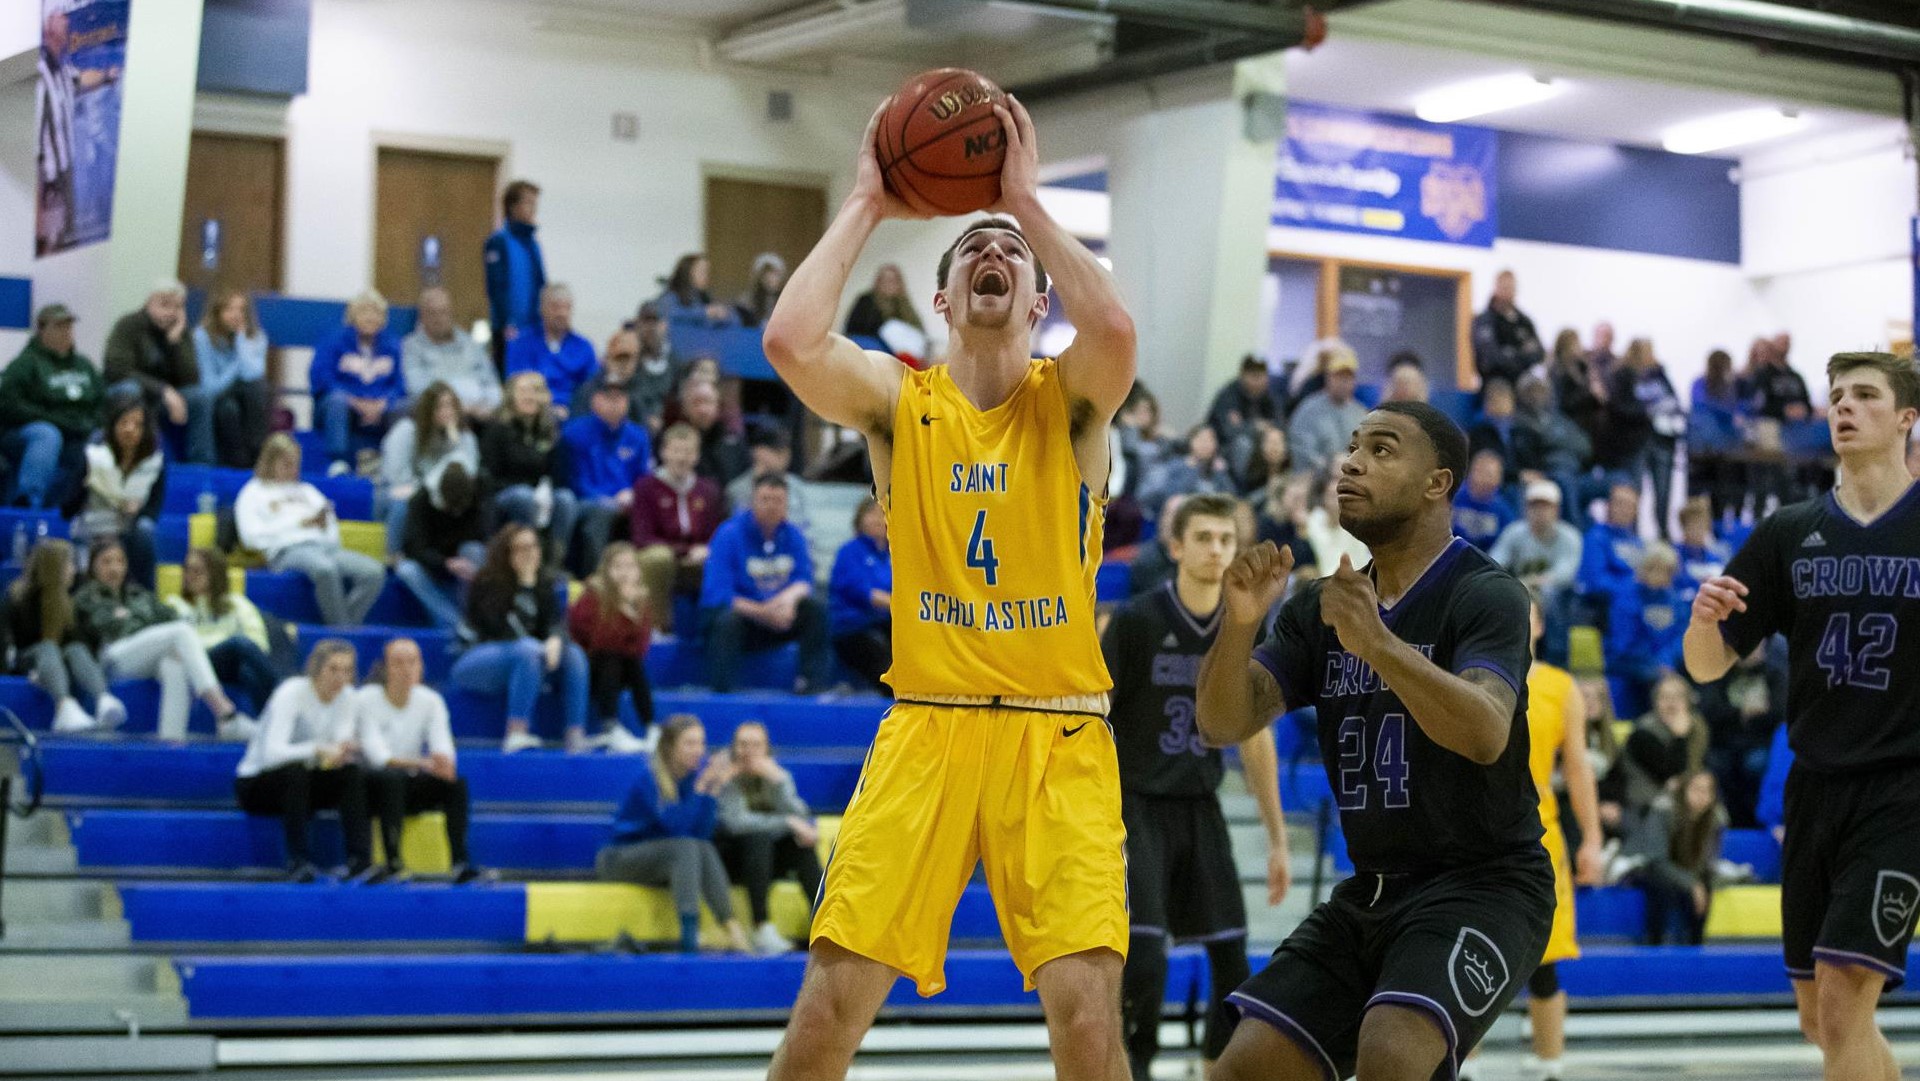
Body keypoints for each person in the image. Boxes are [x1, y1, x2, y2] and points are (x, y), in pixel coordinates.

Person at [761, 95, 1137, 1081]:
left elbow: (1114, 326)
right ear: (942, 301)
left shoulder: (1072, 401)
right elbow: (791, 343)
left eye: (1012, 254)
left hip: (1057, 734)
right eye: (974, 248)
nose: (994, 254)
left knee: (1088, 1022)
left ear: (1038, 302)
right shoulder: (899, 401)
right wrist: (865, 201)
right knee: (823, 1016)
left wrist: (1027, 203)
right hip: (927, 726)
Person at [1196, 401, 1552, 1081]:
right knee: (1244, 1067)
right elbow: (1221, 723)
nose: (1352, 462)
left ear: (1438, 483)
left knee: (1392, 1051)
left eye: (1381, 450)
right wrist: (1239, 624)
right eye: (1354, 446)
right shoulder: (1321, 606)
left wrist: (1379, 645)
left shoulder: (1487, 592)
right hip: (1372, 890)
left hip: (1484, 883)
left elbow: (1485, 730)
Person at [1685, 351, 1920, 1081]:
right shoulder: (1788, 530)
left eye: (1866, 395)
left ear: (1906, 418)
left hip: (1903, 791)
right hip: (1814, 788)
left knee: (1846, 1004)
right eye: (1837, 395)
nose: (1844, 406)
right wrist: (1702, 622)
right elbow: (1707, 665)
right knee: (1821, 1017)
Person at [1101, 493, 1288, 1081]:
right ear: (1176, 546)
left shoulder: (1243, 628)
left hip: (1200, 804)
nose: (1217, 550)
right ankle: (1135, 1069)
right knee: (1146, 959)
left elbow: (1255, 738)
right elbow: (1093, 720)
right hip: (1136, 805)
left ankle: (1217, 1072)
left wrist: (1277, 839)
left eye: (1227, 540)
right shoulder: (1135, 621)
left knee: (1233, 962)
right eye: (1204, 538)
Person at [1462, 596, 1605, 1081]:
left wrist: (1592, 839)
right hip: (1474, 833)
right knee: (1467, 953)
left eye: (1525, 613)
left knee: (1545, 960)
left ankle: (1550, 1066)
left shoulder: (1561, 688)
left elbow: (1579, 769)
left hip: (1539, 836)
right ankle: (1466, 1066)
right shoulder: (1467, 676)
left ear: (1540, 626)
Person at [597, 716, 752, 952]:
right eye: (690, 743)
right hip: (619, 858)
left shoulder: (690, 779)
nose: (698, 750)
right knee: (685, 847)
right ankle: (690, 937)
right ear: (670, 747)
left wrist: (712, 792)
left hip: (663, 857)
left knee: (702, 847)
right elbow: (675, 828)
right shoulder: (649, 779)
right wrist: (701, 789)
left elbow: (702, 836)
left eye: (701, 743)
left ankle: (731, 926)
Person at [73, 538, 252, 742]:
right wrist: (142, 619)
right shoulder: (86, 596)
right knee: (181, 632)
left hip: (142, 653)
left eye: (120, 561)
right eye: (106, 562)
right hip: (109, 658)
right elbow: (110, 627)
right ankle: (224, 712)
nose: (114, 568)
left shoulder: (138, 593)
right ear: (93, 566)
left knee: (174, 664)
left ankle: (171, 742)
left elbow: (171, 616)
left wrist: (129, 616)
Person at [234, 640, 378, 882]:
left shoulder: (348, 697)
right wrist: (317, 749)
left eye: (347, 670)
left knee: (351, 773)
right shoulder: (290, 693)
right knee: (295, 772)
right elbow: (271, 754)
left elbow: (338, 745)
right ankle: (298, 861)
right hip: (256, 783)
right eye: (333, 669)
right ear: (315, 668)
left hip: (304, 784)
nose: (340, 677)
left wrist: (345, 751)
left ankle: (360, 862)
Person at [358, 638, 491, 885]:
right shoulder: (366, 699)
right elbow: (378, 757)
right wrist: (424, 764)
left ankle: (460, 863)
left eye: (413, 662)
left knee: (455, 784)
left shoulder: (430, 701)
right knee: (391, 779)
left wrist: (443, 762)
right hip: (371, 788)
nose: (406, 669)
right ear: (385, 668)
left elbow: (443, 748)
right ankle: (393, 863)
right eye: (398, 663)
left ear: (421, 667)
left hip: (408, 781)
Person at [453, 523, 590, 753]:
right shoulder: (487, 582)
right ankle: (516, 732)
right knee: (529, 648)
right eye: (522, 548)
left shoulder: (544, 583)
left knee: (574, 653)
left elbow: (556, 624)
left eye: (533, 547)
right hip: (478, 658)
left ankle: (575, 734)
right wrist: (525, 586)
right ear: (506, 553)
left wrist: (555, 639)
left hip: (527, 661)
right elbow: (499, 630)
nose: (530, 553)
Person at [235, 435, 388, 628]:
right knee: (325, 569)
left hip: (325, 547)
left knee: (374, 572)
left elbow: (331, 527)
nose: (293, 470)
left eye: (296, 464)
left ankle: (344, 627)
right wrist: (299, 524)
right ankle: (343, 630)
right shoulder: (253, 492)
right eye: (287, 464)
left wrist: (322, 527)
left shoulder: (308, 491)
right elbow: (251, 537)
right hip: (286, 551)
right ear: (270, 462)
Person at [699, 476, 828, 694]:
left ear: (786, 504)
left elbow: (804, 580)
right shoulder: (728, 534)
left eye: (778, 500)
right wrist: (763, 612)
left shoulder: (794, 535)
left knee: (815, 609)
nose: (771, 506)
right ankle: (724, 691)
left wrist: (786, 601)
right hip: (741, 619)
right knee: (726, 620)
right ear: (752, 502)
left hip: (778, 617)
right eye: (765, 499)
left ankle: (812, 685)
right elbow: (720, 594)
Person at [714, 720, 825, 954]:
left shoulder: (777, 777)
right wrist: (786, 822)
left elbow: (802, 820)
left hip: (766, 862)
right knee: (759, 837)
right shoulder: (726, 777)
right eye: (743, 745)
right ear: (733, 749)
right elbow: (736, 823)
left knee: (800, 845)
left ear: (767, 750)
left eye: (756, 745)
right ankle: (761, 926)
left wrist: (780, 784)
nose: (749, 752)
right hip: (730, 860)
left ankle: (823, 924)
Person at [4, 540, 122, 733]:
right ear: (54, 568)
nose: (74, 570)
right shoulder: (18, 599)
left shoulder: (68, 603)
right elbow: (9, 646)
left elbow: (79, 642)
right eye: (69, 564)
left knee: (75, 649)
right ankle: (63, 706)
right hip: (28, 662)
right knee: (47, 648)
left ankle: (103, 699)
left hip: (54, 664)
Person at [0, 304, 101, 510]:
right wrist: (57, 421)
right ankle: (29, 502)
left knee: (103, 437)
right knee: (47, 434)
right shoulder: (25, 364)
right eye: (59, 327)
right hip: (28, 431)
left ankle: (89, 507)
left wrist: (92, 423)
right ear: (42, 330)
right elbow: (9, 405)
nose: (66, 332)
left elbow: (103, 400)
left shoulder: (84, 365)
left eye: (68, 327)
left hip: (78, 431)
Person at [630, 422, 724, 633]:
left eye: (688, 452)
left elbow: (718, 532)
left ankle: (714, 629)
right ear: (664, 452)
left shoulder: (709, 490)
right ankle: (655, 628)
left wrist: (708, 550)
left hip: (699, 557)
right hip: (663, 555)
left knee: (722, 559)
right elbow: (642, 537)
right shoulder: (646, 487)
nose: (682, 458)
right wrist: (684, 551)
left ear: (697, 456)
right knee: (657, 558)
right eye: (676, 451)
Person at [168, 546, 281, 716]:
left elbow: (258, 642)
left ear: (215, 573)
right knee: (237, 643)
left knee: (247, 672)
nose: (190, 576)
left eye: (197, 571)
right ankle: (282, 695)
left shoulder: (237, 603)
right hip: (197, 664)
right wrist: (222, 642)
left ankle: (266, 722)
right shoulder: (174, 605)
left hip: (230, 665)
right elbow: (175, 646)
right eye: (187, 570)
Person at [566, 542, 656, 753]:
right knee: (610, 657)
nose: (625, 573)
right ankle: (610, 726)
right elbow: (600, 642)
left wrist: (633, 612)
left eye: (630, 566)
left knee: (633, 662)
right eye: (618, 566)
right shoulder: (591, 596)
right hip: (588, 669)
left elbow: (640, 648)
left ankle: (651, 727)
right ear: (606, 570)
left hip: (620, 669)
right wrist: (623, 611)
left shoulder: (640, 599)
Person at [481, 372, 577, 563]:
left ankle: (554, 561)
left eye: (535, 390)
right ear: (511, 396)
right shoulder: (497, 429)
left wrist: (546, 490)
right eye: (523, 391)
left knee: (566, 499)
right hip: (504, 495)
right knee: (523, 497)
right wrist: (532, 492)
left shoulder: (549, 430)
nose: (529, 396)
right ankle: (528, 558)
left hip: (541, 496)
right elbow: (488, 478)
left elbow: (558, 475)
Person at [1624, 771, 1725, 946]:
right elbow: (1656, 860)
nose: (1702, 796)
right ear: (1684, 789)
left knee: (1705, 885)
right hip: (1647, 868)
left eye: (1707, 791)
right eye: (1697, 789)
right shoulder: (1663, 810)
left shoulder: (1715, 819)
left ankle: (1696, 946)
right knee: (1660, 884)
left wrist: (1694, 884)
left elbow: (1706, 863)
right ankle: (1654, 945)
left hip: (1686, 874)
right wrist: (1691, 884)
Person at [104, 280, 203, 460]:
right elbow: (118, 369)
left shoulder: (180, 332)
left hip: (165, 397)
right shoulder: (129, 325)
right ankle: (136, 457)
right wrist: (163, 390)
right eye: (164, 305)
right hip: (130, 392)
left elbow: (191, 378)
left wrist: (175, 343)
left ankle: (201, 463)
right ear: (149, 303)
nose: (170, 312)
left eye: (177, 307)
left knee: (200, 396)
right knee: (131, 390)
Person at [310, 290, 407, 473]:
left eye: (375, 312)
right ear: (352, 316)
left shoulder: (393, 345)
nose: (370, 317)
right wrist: (355, 401)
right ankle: (338, 462)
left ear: (383, 319)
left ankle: (398, 464)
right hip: (343, 405)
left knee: (405, 406)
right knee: (336, 401)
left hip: (381, 406)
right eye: (364, 311)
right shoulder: (333, 341)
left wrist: (382, 403)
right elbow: (322, 378)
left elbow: (400, 384)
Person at [380, 381, 480, 558]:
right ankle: (393, 556)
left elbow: (468, 477)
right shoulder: (406, 431)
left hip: (441, 495)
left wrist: (455, 444)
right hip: (401, 492)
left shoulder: (464, 437)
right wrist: (429, 489)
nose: (447, 412)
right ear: (427, 409)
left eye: (451, 406)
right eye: (440, 406)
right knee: (404, 503)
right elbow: (397, 478)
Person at [562, 380, 652, 576]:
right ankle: (597, 576)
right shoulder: (574, 433)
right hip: (587, 500)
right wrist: (607, 499)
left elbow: (644, 477)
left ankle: (640, 576)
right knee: (602, 511)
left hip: (627, 498)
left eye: (620, 398)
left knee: (650, 504)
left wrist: (633, 493)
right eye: (609, 398)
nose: (615, 404)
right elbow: (576, 480)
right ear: (595, 400)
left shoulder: (638, 436)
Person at [77, 392, 164, 589]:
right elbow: (69, 506)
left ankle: (144, 594)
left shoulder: (155, 461)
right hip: (94, 529)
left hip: (129, 531)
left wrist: (137, 511)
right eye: (124, 422)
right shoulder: (93, 455)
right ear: (113, 425)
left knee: (145, 530)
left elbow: (153, 509)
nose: (130, 429)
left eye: (137, 424)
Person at [1604, 672, 1708, 835]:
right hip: (1640, 807)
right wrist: (1680, 737)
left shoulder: (1698, 728)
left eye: (1678, 697)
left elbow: (1695, 770)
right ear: (1655, 702)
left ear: (1688, 702)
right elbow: (1672, 772)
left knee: (1715, 812)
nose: (1671, 704)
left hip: (1676, 801)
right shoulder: (1643, 733)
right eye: (1665, 697)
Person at [1601, 337, 1685, 538]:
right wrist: (1645, 412)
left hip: (1662, 440)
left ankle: (1663, 533)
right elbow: (1617, 407)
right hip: (1634, 442)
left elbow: (1673, 400)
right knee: (1634, 490)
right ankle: (1632, 533)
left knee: (1663, 491)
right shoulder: (1622, 375)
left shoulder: (1659, 375)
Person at [393, 463, 487, 634]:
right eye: (452, 508)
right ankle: (457, 625)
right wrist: (446, 563)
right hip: (432, 565)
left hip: (463, 566)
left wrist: (460, 563)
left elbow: (484, 535)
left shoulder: (478, 494)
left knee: (474, 549)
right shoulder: (420, 500)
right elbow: (414, 548)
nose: (456, 514)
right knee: (406, 569)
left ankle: (476, 618)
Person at [1602, 542, 1687, 716]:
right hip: (1629, 668)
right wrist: (1656, 665)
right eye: (1655, 569)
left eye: (1666, 571)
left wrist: (1666, 660)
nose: (1660, 576)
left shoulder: (1675, 600)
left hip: (1665, 666)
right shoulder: (1626, 597)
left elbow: (1681, 635)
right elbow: (1624, 644)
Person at [191, 288, 272, 467]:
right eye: (229, 309)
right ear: (217, 312)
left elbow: (252, 375)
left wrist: (241, 339)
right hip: (218, 396)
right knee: (228, 409)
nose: (236, 315)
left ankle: (259, 456)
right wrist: (236, 366)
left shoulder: (257, 337)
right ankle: (239, 463)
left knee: (257, 389)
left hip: (247, 394)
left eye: (241, 310)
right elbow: (210, 388)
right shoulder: (202, 336)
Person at [402, 286, 501, 418]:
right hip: (435, 416)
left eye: (443, 312)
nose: (438, 319)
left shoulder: (471, 344)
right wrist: (457, 408)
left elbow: (492, 384)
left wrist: (487, 407)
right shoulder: (411, 347)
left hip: (480, 415)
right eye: (432, 313)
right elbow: (417, 389)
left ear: (451, 313)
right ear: (422, 316)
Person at [827, 496, 891, 692]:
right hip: (852, 626)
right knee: (878, 651)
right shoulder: (849, 551)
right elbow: (859, 591)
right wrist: (898, 603)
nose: (878, 519)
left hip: (887, 622)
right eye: (872, 514)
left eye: (882, 514)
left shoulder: (896, 554)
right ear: (860, 519)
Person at [484, 179, 547, 373]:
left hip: (534, 327)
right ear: (513, 206)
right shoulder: (499, 242)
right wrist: (506, 323)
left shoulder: (533, 244)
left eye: (535, 204)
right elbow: (496, 287)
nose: (533, 209)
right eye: (528, 203)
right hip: (509, 329)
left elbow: (540, 284)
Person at [506, 283, 598, 410]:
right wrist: (548, 409)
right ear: (542, 309)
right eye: (555, 307)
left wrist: (570, 409)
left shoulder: (584, 347)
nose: (562, 313)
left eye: (566, 307)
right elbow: (515, 384)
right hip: (532, 410)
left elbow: (592, 388)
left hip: (574, 412)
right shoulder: (520, 344)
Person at [1490, 481, 1583, 605]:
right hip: (1518, 589)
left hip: (1558, 597)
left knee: (1549, 591)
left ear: (1557, 510)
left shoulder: (1570, 536)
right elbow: (1495, 561)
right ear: (1526, 509)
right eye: (1534, 506)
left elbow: (1566, 573)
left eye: (1545, 507)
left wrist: (1533, 582)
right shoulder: (1514, 532)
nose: (1540, 512)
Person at [1689, 348, 1749, 526]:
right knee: (1705, 491)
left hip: (1723, 450)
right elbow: (1702, 406)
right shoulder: (1702, 385)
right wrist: (1730, 415)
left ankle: (1719, 527)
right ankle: (1701, 527)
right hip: (1704, 450)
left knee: (1719, 493)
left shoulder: (1730, 387)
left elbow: (1742, 408)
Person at [1287, 348, 1368, 477]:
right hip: (1314, 481)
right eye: (1338, 376)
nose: (1343, 382)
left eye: (1348, 377)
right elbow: (1301, 452)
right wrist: (1329, 467)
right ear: (1328, 377)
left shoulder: (1361, 414)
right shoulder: (1308, 410)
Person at [1138, 424, 1233, 519]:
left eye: (1211, 440)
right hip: (1177, 515)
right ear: (1191, 441)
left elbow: (1230, 497)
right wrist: (1191, 469)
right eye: (1201, 439)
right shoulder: (1176, 465)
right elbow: (1167, 496)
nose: (1206, 444)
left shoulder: (1217, 469)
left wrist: (1221, 473)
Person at [1576, 482, 1646, 606]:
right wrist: (1633, 588)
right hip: (1606, 605)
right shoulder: (1596, 538)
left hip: (1638, 601)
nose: (1624, 510)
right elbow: (1595, 580)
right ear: (1608, 506)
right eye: (1620, 504)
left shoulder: (1639, 543)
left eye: (1630, 506)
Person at [1472, 269, 1544, 387]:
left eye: (1511, 288)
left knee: (1539, 389)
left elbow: (1539, 353)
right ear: (1496, 289)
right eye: (1505, 288)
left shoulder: (1524, 321)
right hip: (1495, 381)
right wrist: (1521, 353)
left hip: (1523, 381)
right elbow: (1490, 358)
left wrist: (1511, 354)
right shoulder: (1484, 321)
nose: (1508, 292)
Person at [679, 378, 750, 485]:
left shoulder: (734, 442)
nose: (702, 409)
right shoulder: (673, 440)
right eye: (696, 402)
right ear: (685, 408)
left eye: (708, 402)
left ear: (718, 405)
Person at [1208, 355, 1286, 452]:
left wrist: (1245, 425)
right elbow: (1230, 432)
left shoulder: (1271, 396)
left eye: (1263, 376)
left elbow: (1280, 426)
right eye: (1254, 376)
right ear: (1243, 375)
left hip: (1260, 447)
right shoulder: (1228, 396)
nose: (1259, 381)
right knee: (1243, 444)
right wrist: (1257, 427)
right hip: (1223, 447)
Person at [1547, 327, 1606, 442]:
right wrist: (1591, 393)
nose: (1579, 346)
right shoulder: (1558, 369)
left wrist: (1597, 396)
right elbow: (1563, 402)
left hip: (1586, 417)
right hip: (1569, 421)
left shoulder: (1582, 366)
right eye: (1575, 343)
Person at [1452, 450, 1516, 552]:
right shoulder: (1452, 497)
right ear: (1471, 472)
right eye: (1482, 472)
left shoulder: (1503, 510)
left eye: (1491, 475)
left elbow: (1508, 542)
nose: (1486, 479)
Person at [842, 263, 924, 341]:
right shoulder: (866, 301)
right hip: (869, 345)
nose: (888, 284)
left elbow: (918, 332)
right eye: (884, 280)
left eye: (892, 280)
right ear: (877, 282)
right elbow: (852, 330)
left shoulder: (904, 305)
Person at [1674, 496, 1732, 601]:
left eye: (1703, 524)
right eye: (1694, 525)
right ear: (1684, 526)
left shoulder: (1716, 558)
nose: (1699, 530)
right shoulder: (1674, 556)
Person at [656, 254, 738, 327]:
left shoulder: (703, 298)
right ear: (687, 273)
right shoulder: (671, 295)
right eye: (702, 272)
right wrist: (705, 312)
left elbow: (732, 319)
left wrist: (722, 315)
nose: (707, 276)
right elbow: (671, 314)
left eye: (708, 272)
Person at [1466, 377, 1520, 479]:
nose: (1499, 404)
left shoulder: (1524, 430)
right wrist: (1518, 475)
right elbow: (1484, 468)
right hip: (1493, 481)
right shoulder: (1478, 434)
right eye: (1494, 400)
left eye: (1503, 399)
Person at [1237, 425, 1294, 499]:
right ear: (1261, 448)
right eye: (1269, 442)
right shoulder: (1252, 477)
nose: (1273, 447)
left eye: (1277, 443)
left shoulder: (1293, 475)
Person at [735, 252, 787, 327]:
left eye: (774, 274)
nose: (770, 278)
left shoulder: (787, 299)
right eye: (766, 274)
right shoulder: (748, 299)